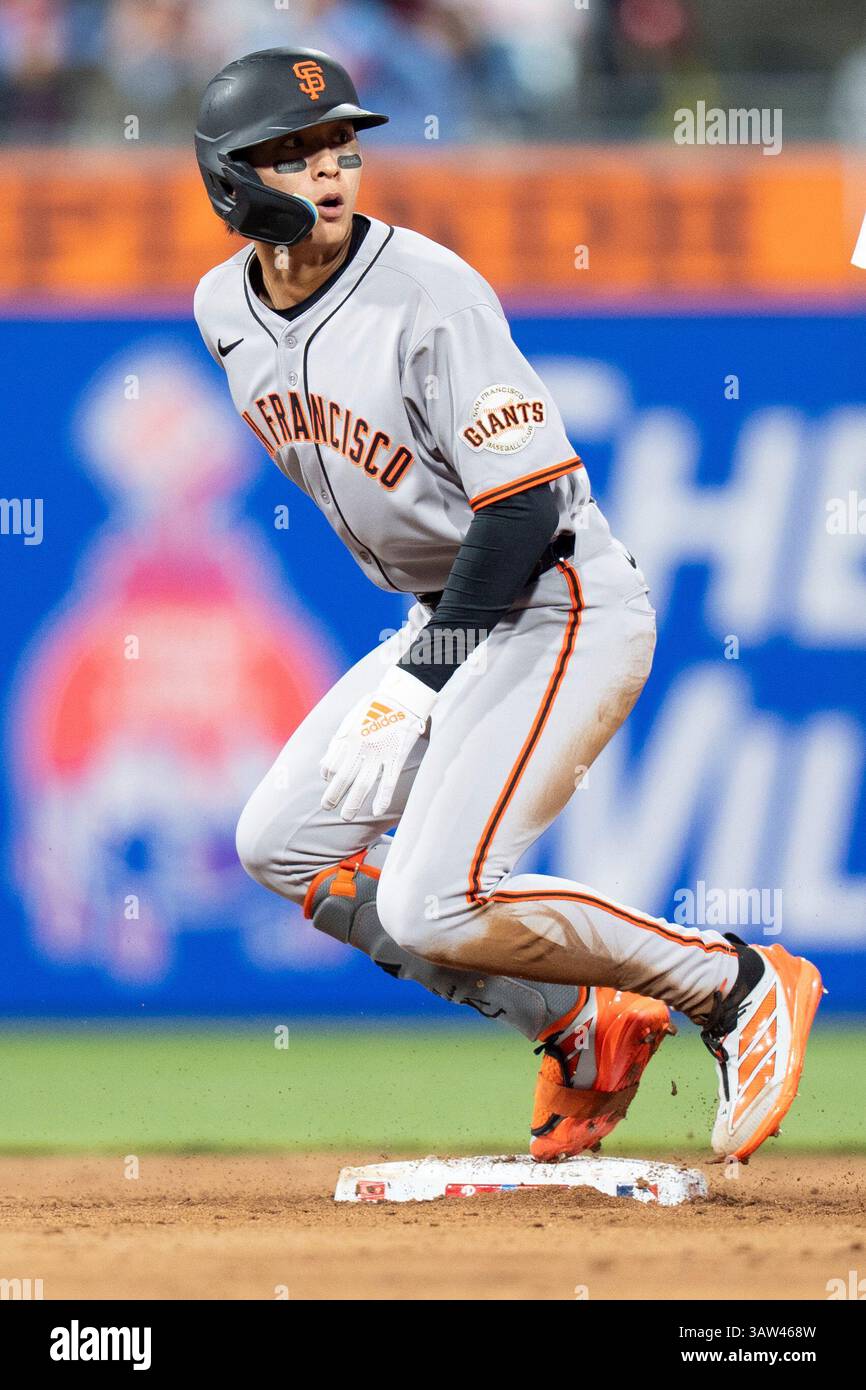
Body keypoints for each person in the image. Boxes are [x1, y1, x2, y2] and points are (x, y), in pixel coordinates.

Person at [193, 47, 822, 1162]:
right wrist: (425, 653)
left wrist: (422, 674)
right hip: (447, 614)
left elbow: (524, 509)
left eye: (339, 143)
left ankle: (728, 983)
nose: (329, 168)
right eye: (293, 153)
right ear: (233, 180)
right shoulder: (222, 311)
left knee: (434, 900)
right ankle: (579, 1023)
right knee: (281, 842)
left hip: (556, 602)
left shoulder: (426, 292)